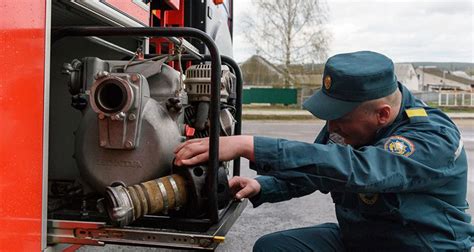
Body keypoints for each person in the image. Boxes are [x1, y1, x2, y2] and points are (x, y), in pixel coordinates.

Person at [174, 51, 473, 251]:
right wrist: (262, 186)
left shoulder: (433, 137)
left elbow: (359, 170)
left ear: (382, 114)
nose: (331, 128)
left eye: (340, 118)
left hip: (418, 246)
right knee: (273, 248)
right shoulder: (345, 127)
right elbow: (320, 165)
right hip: (362, 240)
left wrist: (247, 144)